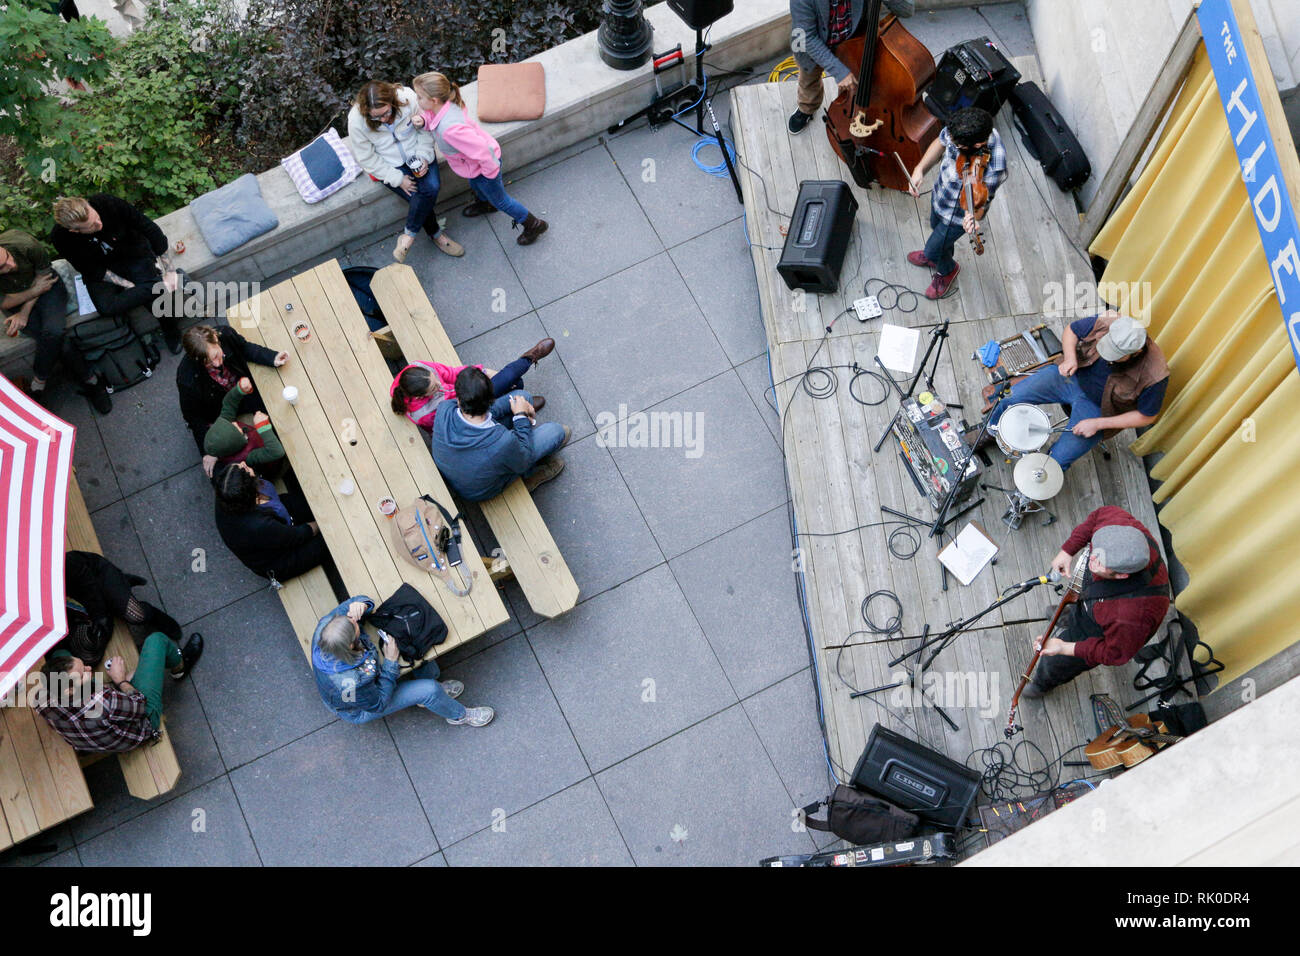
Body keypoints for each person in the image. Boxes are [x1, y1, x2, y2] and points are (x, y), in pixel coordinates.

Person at [981, 311, 1169, 474]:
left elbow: (1146, 416)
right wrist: (1070, 358)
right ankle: (991, 430)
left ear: (1135, 352)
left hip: (1099, 410)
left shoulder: (1155, 374)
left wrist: (1098, 423)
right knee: (1010, 397)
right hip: (1070, 377)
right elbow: (1072, 330)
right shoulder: (1109, 320)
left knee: (1056, 461)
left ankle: (1028, 495)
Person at [1023, 506, 1170, 698]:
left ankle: (1043, 684)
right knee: (1080, 605)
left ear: (1122, 575)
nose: (1092, 559)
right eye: (1096, 549)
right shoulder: (1118, 523)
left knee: (1055, 662)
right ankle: (1072, 616)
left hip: (1102, 628)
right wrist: (1068, 550)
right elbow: (1097, 517)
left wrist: (1063, 647)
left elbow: (1114, 654)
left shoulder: (1131, 617)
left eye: (1101, 562)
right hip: (1094, 601)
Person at [410, 72, 548, 245]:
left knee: (502, 201)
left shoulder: (450, 129)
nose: (417, 101)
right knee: (475, 185)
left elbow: (482, 151)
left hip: (485, 169)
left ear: (434, 100)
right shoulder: (446, 106)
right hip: (473, 168)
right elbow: (433, 118)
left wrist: (490, 175)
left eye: (420, 97)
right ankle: (485, 204)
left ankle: (534, 224)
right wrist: (423, 121)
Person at [311, 596, 494, 726]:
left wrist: (361, 605)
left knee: (414, 645)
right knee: (430, 690)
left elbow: (357, 603)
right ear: (351, 644)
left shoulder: (328, 626)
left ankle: (433, 695)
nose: (354, 620)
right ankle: (460, 715)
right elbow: (378, 703)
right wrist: (390, 662)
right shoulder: (350, 684)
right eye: (355, 626)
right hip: (362, 706)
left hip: (366, 673)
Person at [49, 195, 185, 354]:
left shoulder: (107, 203)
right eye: (91, 226)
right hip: (103, 268)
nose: (99, 224)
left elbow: (149, 229)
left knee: (155, 298)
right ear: (74, 230)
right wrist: (129, 285)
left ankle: (170, 329)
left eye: (97, 218)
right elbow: (89, 269)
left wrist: (169, 270)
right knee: (106, 307)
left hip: (132, 253)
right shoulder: (61, 237)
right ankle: (156, 286)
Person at [347, 80, 465, 263]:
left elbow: (426, 127)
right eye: (376, 117)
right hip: (390, 164)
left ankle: (407, 237)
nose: (384, 119)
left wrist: (424, 156)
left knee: (432, 187)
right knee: (418, 196)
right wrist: (397, 178)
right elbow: (366, 158)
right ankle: (437, 236)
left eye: (386, 113)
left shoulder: (408, 98)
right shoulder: (356, 121)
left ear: (393, 101)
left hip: (417, 151)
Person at [36, 631, 203, 753]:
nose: (89, 668)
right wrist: (121, 680)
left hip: (87, 738)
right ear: (70, 689)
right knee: (156, 640)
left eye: (84, 665)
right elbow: (140, 704)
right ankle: (180, 667)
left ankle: (134, 674)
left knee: (59, 654)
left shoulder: (40, 697)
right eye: (83, 672)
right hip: (141, 725)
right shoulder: (105, 701)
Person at [1, 230, 111, 413]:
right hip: (17, 300)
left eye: (8, 258)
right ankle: (92, 380)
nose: (11, 265)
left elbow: (45, 279)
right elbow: (5, 301)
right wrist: (28, 301)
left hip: (49, 289)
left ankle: (38, 382)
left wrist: (25, 312)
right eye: (2, 268)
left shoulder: (23, 243)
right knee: (58, 340)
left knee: (54, 332)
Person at [906, 106, 1007, 300]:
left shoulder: (995, 164)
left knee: (933, 249)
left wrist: (973, 217)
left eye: (957, 145)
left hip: (956, 217)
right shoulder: (960, 130)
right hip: (940, 196)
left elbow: (980, 203)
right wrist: (919, 169)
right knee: (937, 234)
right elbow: (941, 141)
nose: (951, 143)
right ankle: (940, 254)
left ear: (978, 144)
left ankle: (947, 270)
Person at [430, 366, 570, 501]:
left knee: (523, 396)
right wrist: (520, 416)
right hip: (478, 490)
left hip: (458, 466)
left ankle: (522, 415)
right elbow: (523, 459)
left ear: (459, 399)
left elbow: (486, 415)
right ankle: (529, 477)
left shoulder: (444, 408)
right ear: (491, 399)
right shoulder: (503, 442)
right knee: (557, 431)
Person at [787, 0, 916, 134]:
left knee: (852, 86)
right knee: (809, 80)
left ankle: (846, 108)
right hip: (813, 46)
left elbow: (907, 11)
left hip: (853, 42)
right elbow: (807, 38)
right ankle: (806, 109)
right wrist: (839, 71)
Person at [177, 324, 288, 475]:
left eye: (216, 355)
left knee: (280, 416)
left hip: (242, 391)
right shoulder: (187, 378)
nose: (217, 364)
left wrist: (272, 357)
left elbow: (245, 348)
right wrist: (209, 450)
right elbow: (193, 418)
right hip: (222, 410)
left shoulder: (226, 335)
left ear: (216, 338)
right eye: (208, 363)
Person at [389, 336, 555, 429]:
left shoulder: (420, 368)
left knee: (513, 382)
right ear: (419, 397)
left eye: (436, 381)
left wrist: (481, 372)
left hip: (466, 390)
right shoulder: (423, 415)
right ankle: (522, 406)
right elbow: (454, 421)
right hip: (466, 410)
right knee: (515, 382)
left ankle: (529, 360)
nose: (439, 385)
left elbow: (453, 373)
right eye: (434, 388)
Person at [212, 461, 326, 583]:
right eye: (244, 468)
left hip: (277, 521)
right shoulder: (258, 525)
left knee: (316, 500)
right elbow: (300, 534)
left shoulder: (228, 494)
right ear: (252, 490)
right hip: (280, 560)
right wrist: (323, 523)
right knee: (329, 539)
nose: (244, 463)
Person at [63, 550, 182, 664]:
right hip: (78, 604)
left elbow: (88, 586)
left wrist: (99, 616)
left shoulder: (62, 563)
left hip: (96, 576)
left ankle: (152, 614)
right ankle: (120, 589)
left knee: (136, 615)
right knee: (88, 654)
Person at [204, 379, 287, 477]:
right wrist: (263, 428)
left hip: (256, 436)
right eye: (235, 428)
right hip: (273, 458)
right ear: (236, 441)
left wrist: (239, 389)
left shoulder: (227, 424)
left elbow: (228, 403)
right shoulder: (246, 457)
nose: (234, 422)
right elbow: (276, 452)